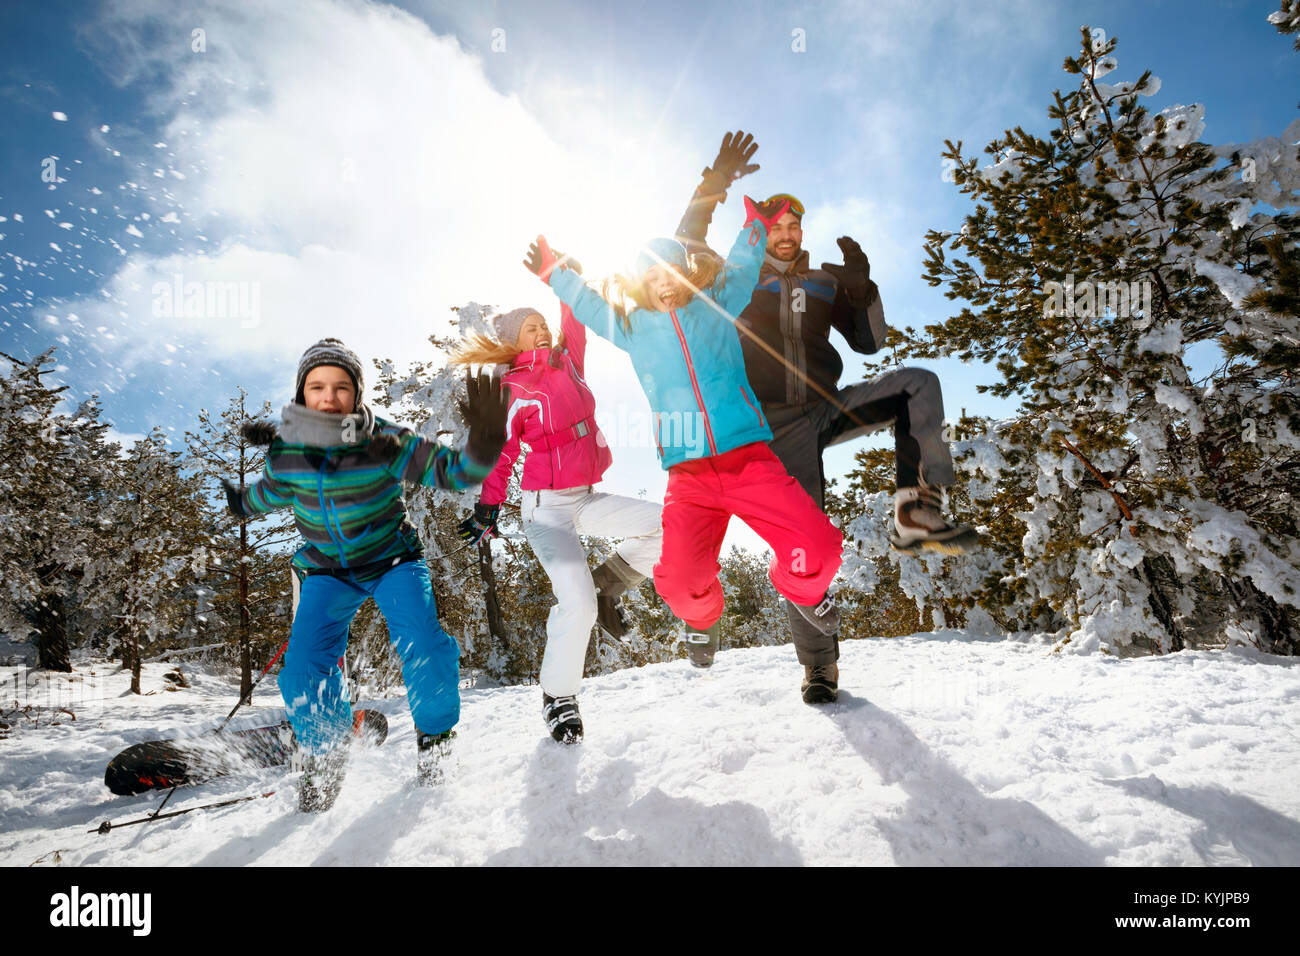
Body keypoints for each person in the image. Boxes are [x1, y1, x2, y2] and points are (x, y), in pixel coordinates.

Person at [675, 131, 977, 702]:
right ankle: (820, 669)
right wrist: (713, 184)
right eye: (775, 227)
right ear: (759, 232)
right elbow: (683, 241)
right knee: (802, 548)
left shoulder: (824, 281)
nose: (786, 236)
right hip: (767, 424)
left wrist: (863, 290)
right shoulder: (732, 278)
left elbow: (871, 342)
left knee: (918, 386)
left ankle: (916, 515)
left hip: (825, 408)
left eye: (794, 228)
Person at [527, 195, 844, 685]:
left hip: (749, 460)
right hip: (690, 475)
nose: (663, 286)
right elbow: (589, 306)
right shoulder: (633, 328)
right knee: (678, 581)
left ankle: (801, 590)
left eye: (670, 275)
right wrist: (556, 275)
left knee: (819, 550)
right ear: (640, 287)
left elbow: (741, 266)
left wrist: (755, 228)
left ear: (685, 274)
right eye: (652, 280)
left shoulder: (715, 306)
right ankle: (703, 620)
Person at [224, 338, 508, 811]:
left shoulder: (383, 441)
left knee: (422, 641)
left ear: (357, 394)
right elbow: (272, 491)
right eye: (317, 386)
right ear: (302, 394)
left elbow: (454, 472)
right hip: (328, 571)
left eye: (341, 386)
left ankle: (435, 743)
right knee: (301, 669)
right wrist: (242, 502)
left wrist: (483, 444)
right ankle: (328, 750)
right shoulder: (288, 452)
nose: (329, 396)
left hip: (392, 559)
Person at [449, 278, 664, 745]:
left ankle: (611, 586)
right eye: (530, 328)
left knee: (666, 523)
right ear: (513, 341)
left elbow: (575, 319)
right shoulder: (513, 387)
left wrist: (563, 276)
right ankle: (559, 698)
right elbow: (501, 456)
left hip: (585, 497)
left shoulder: (570, 363)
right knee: (577, 603)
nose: (542, 331)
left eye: (543, 325)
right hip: (546, 510)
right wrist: (489, 507)